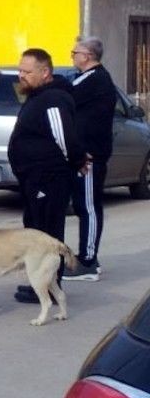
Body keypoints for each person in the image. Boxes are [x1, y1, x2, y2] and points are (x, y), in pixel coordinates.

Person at [8, 47, 83, 304]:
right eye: (20, 70)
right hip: (33, 178)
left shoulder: (54, 98)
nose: (21, 75)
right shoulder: (37, 96)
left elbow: (64, 138)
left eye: (27, 71)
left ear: (45, 72)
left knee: (47, 233)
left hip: (49, 178)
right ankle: (39, 284)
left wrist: (77, 161)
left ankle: (51, 287)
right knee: (35, 231)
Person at [68, 36, 114, 280]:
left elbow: (71, 100)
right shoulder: (86, 78)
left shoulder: (96, 80)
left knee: (88, 207)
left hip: (89, 156)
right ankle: (87, 257)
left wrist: (84, 151)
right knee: (82, 205)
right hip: (83, 153)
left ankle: (88, 261)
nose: (72, 56)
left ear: (87, 56)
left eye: (75, 52)